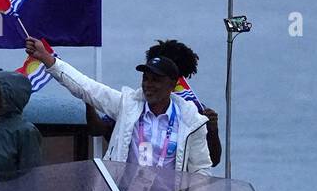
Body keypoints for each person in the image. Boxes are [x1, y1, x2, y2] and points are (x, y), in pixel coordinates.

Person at [24, 37, 212, 173]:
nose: (148, 85)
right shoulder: (127, 105)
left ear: (172, 84)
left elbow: (201, 169)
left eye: (156, 80)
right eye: (145, 79)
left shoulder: (191, 120)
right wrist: (47, 59)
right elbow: (87, 87)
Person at [83, 40, 221, 167]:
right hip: (129, 187)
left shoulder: (193, 111)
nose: (150, 83)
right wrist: (89, 97)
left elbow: (213, 160)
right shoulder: (139, 103)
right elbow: (98, 129)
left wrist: (213, 131)